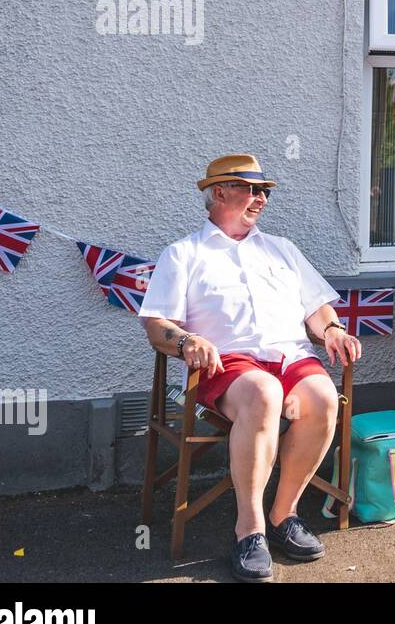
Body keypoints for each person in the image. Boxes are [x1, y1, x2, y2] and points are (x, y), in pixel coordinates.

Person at [138, 154, 363, 581]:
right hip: (228, 365)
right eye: (251, 189)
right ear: (219, 192)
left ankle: (283, 516)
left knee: (323, 397)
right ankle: (250, 529)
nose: (261, 198)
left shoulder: (282, 249)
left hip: (290, 357)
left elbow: (317, 308)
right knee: (264, 393)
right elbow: (156, 325)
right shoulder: (184, 253)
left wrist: (332, 330)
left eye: (265, 191)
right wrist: (187, 340)